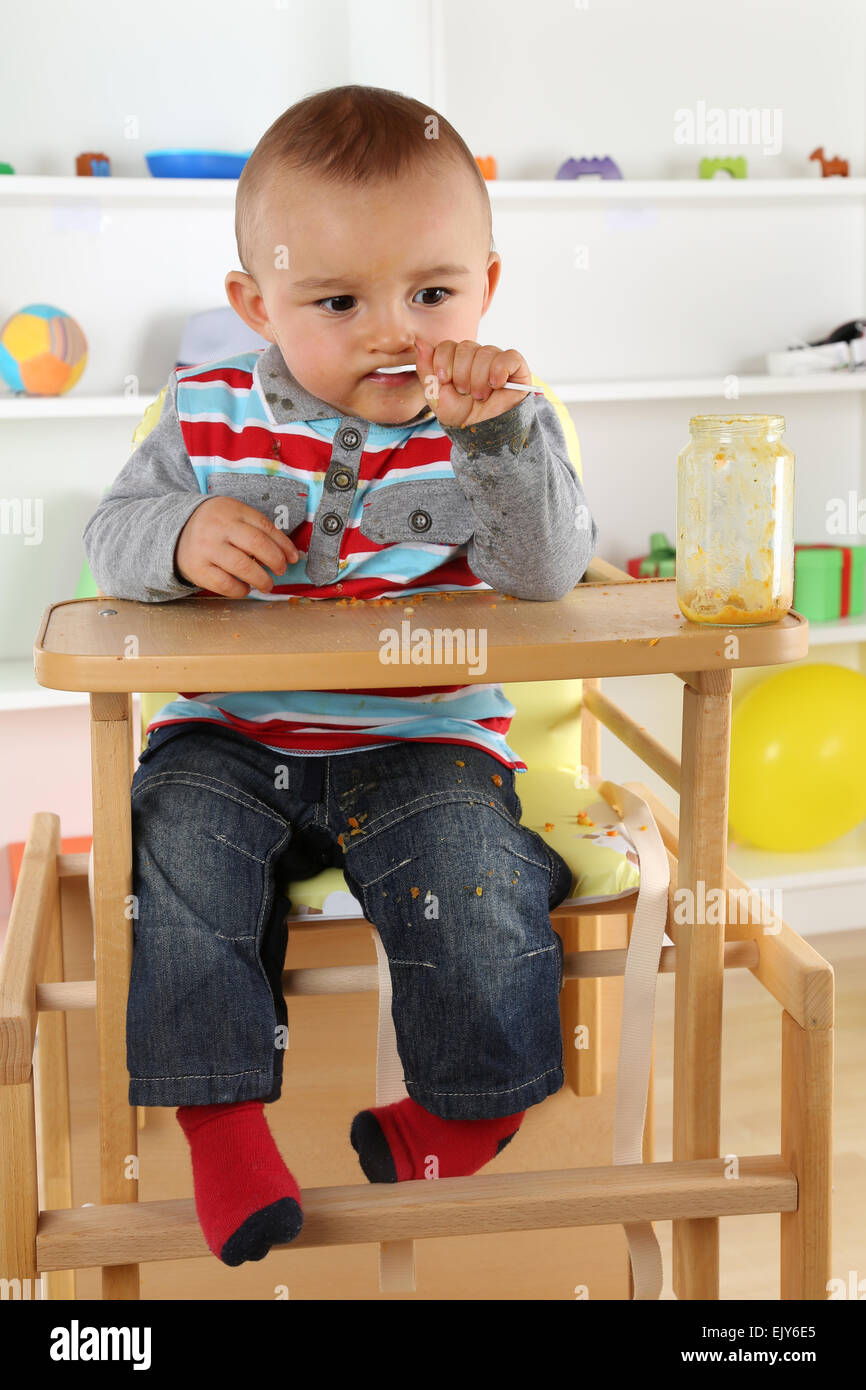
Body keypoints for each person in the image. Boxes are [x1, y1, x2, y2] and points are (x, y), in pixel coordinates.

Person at [82, 84, 600, 1267]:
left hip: (423, 736)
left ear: (487, 285)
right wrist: (175, 535)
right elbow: (109, 539)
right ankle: (220, 1128)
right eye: (336, 301)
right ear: (254, 305)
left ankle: (474, 1108)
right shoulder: (201, 414)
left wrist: (495, 441)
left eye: (430, 293)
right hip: (231, 732)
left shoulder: (496, 418)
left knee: (473, 873)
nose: (391, 333)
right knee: (179, 846)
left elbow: (546, 573)